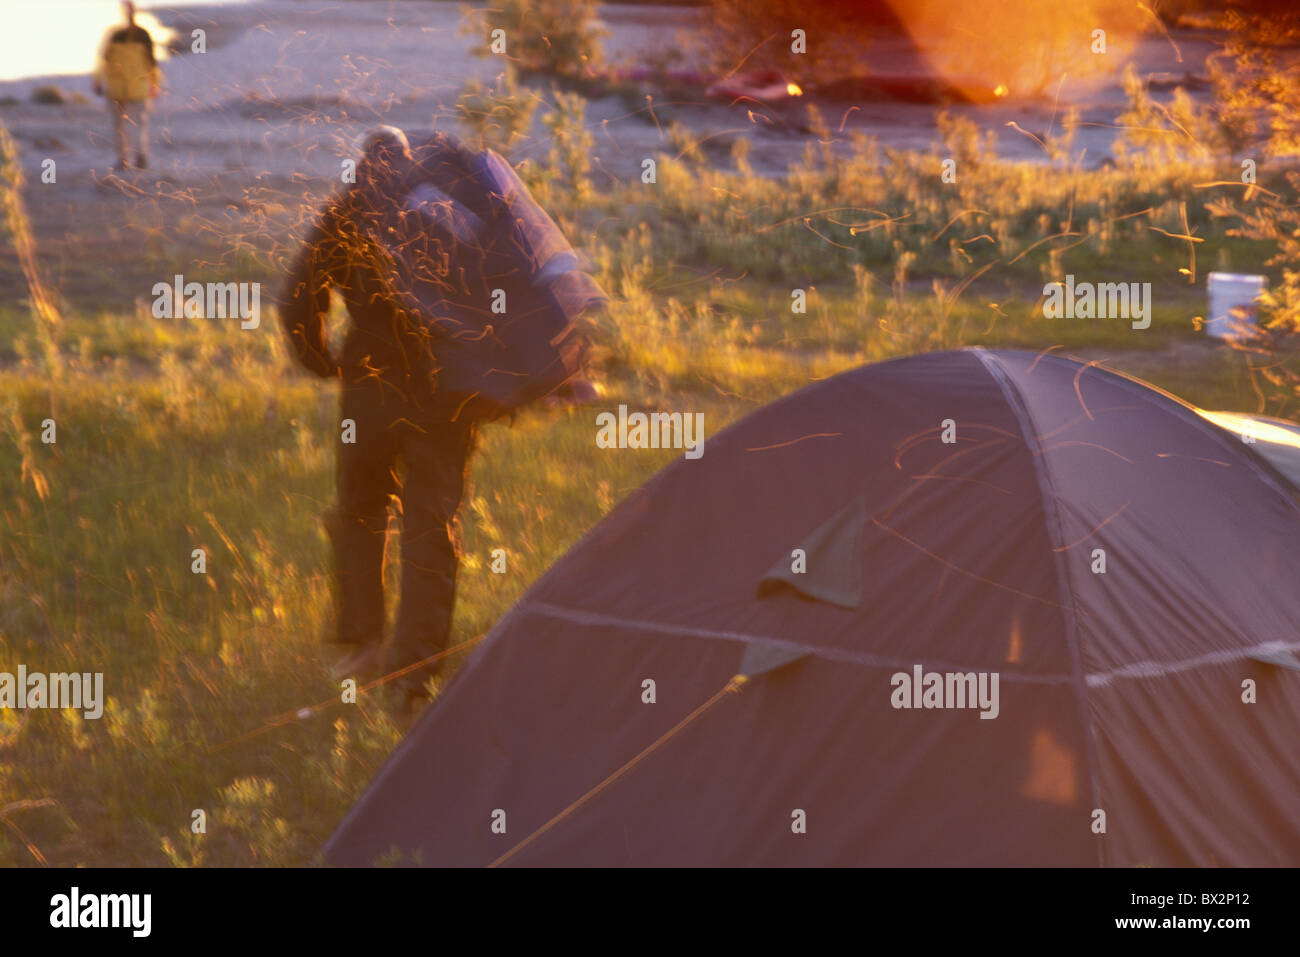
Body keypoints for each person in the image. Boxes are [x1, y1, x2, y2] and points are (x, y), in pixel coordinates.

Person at [279, 127, 481, 718]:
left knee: (361, 510)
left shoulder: (346, 209)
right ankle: (414, 677)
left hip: (368, 383)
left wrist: (325, 363)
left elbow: (296, 299)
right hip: (443, 387)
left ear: (362, 165)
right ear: (410, 163)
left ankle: (362, 644)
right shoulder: (448, 208)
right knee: (430, 523)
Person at [93, 1, 161, 171]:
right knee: (122, 126)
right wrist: (97, 80)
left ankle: (138, 158)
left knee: (134, 124)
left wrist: (154, 84)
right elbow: (103, 61)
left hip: (132, 88)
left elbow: (151, 63)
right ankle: (125, 159)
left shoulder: (139, 35)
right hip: (119, 88)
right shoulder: (116, 34)